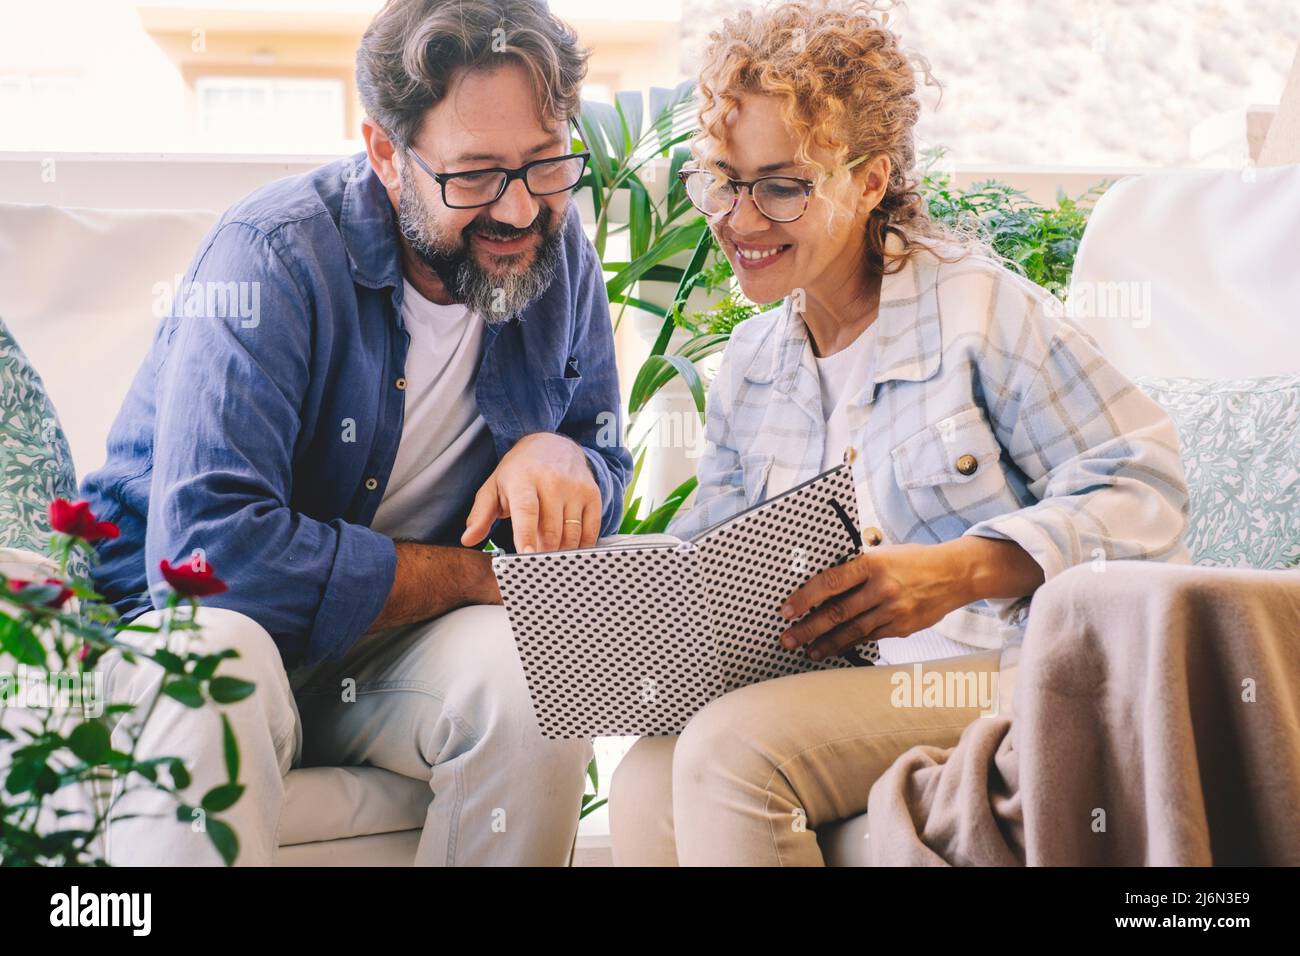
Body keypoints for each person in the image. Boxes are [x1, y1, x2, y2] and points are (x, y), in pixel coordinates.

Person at [609, 0, 1190, 866]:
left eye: (782, 185)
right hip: (837, 689)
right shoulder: (751, 365)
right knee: (642, 775)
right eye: (724, 179)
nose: (739, 216)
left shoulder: (980, 311)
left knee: (734, 751)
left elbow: (1146, 487)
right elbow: (719, 567)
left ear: (870, 181)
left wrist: (964, 569)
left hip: (997, 672)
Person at [80, 0, 631, 866]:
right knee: (216, 661)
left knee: (536, 680)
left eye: (545, 163)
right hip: (194, 625)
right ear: (385, 153)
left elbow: (600, 458)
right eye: (476, 175)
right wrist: (474, 578)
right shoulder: (271, 255)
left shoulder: (559, 259)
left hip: (386, 653)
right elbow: (207, 563)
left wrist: (570, 458)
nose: (520, 211)